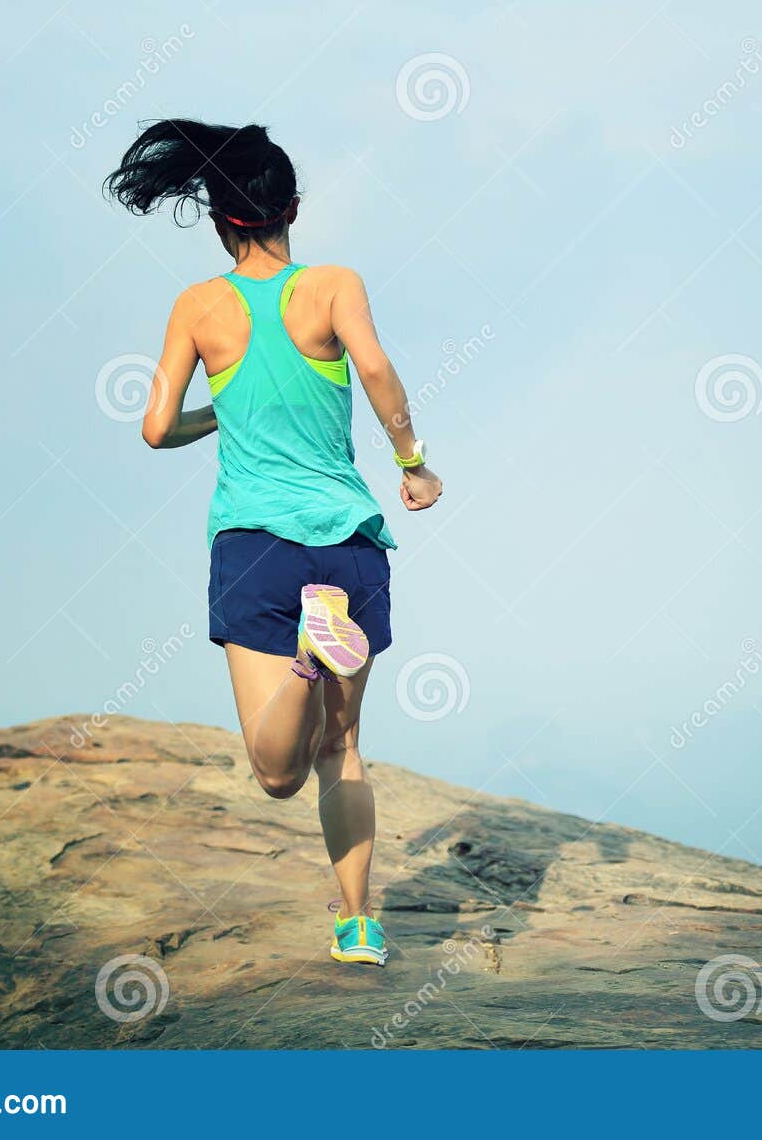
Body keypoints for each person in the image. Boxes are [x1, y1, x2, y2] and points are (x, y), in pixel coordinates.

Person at [106, 119, 443, 967]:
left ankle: (304, 658)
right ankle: (357, 924)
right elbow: (376, 370)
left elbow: (154, 428)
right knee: (342, 748)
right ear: (292, 207)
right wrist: (412, 462)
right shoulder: (334, 285)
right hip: (349, 542)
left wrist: (220, 412)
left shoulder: (198, 306)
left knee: (276, 772)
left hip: (256, 545)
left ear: (221, 222)